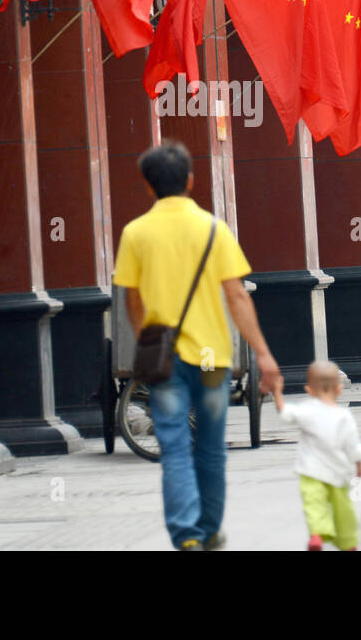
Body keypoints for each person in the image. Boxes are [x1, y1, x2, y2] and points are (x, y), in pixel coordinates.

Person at [113, 141, 282, 551]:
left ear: (147, 186)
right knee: (210, 448)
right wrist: (263, 354)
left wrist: (146, 338)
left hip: (165, 361)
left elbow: (131, 299)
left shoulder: (135, 233)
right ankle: (207, 530)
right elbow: (237, 297)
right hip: (211, 360)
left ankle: (186, 535)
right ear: (190, 181)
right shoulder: (214, 229)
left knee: (173, 448)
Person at [274, 360, 361, 551]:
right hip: (338, 472)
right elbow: (353, 444)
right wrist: (358, 465)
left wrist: (277, 391)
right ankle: (349, 542)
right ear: (339, 389)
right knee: (344, 509)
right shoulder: (344, 416)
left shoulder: (306, 409)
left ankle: (316, 534)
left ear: (309, 389)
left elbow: (284, 412)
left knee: (314, 504)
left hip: (311, 470)